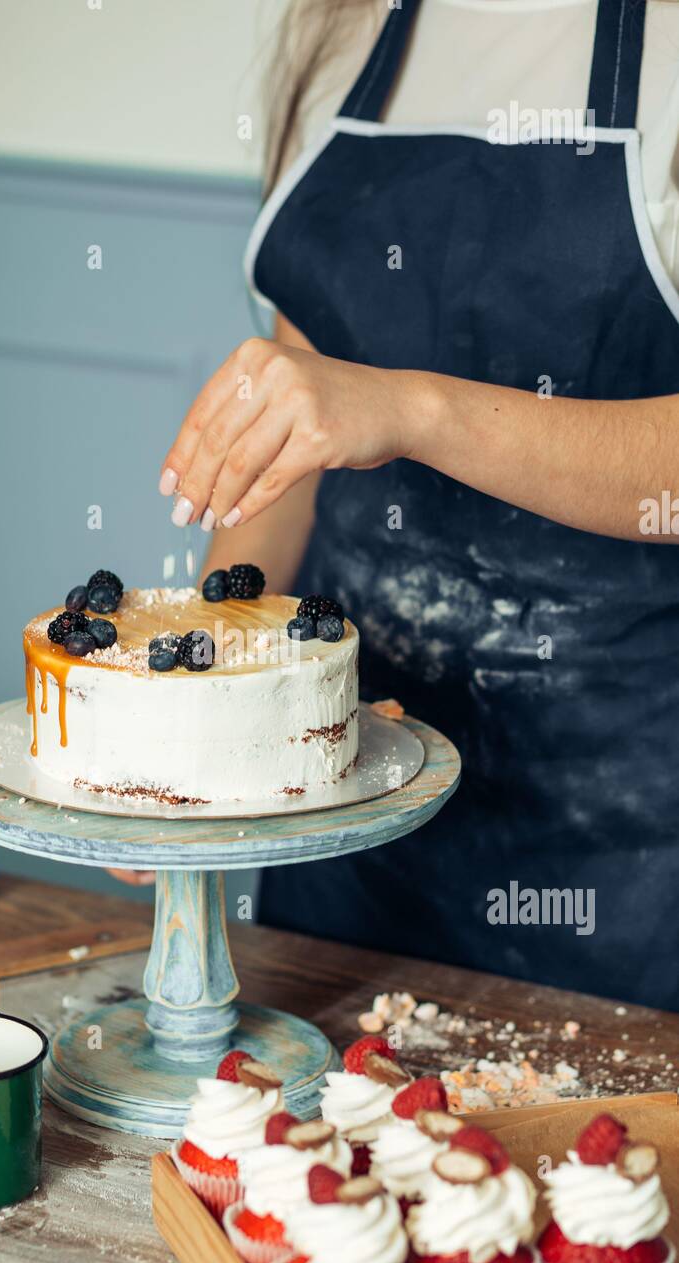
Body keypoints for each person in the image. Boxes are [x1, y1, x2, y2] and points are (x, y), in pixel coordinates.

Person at [129, 0, 679, 1009]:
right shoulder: (337, 30)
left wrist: (410, 409)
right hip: (343, 813)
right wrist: (198, 710)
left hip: (627, 856)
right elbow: (295, 437)